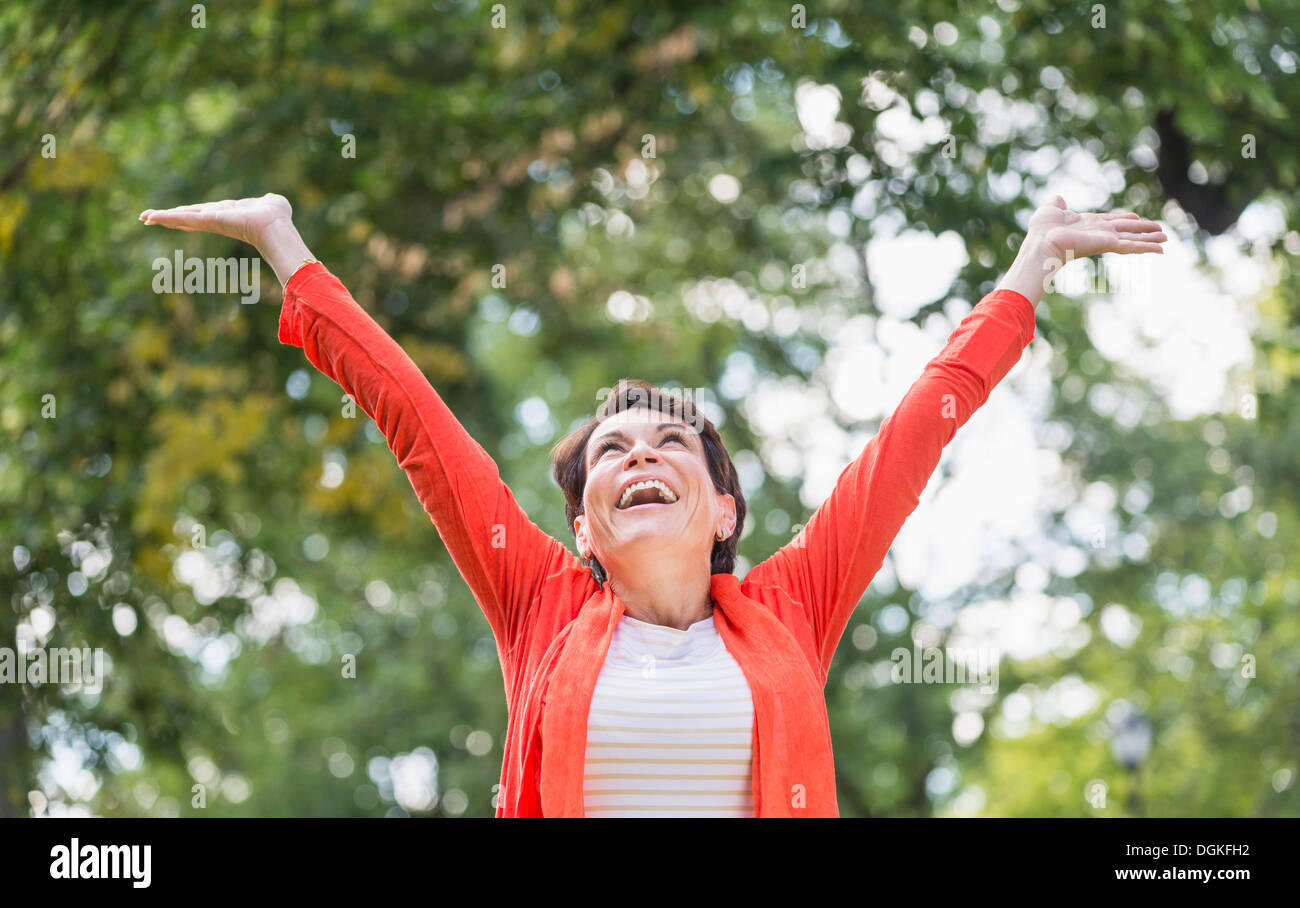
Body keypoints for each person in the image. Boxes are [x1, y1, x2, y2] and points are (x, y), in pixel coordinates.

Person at [138, 193, 1165, 816]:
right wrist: (285, 248)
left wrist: (1031, 266)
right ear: (582, 526)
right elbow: (415, 421)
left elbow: (911, 437)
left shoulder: (792, 611)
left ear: (723, 510)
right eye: (612, 449)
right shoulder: (539, 604)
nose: (640, 452)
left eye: (672, 439)